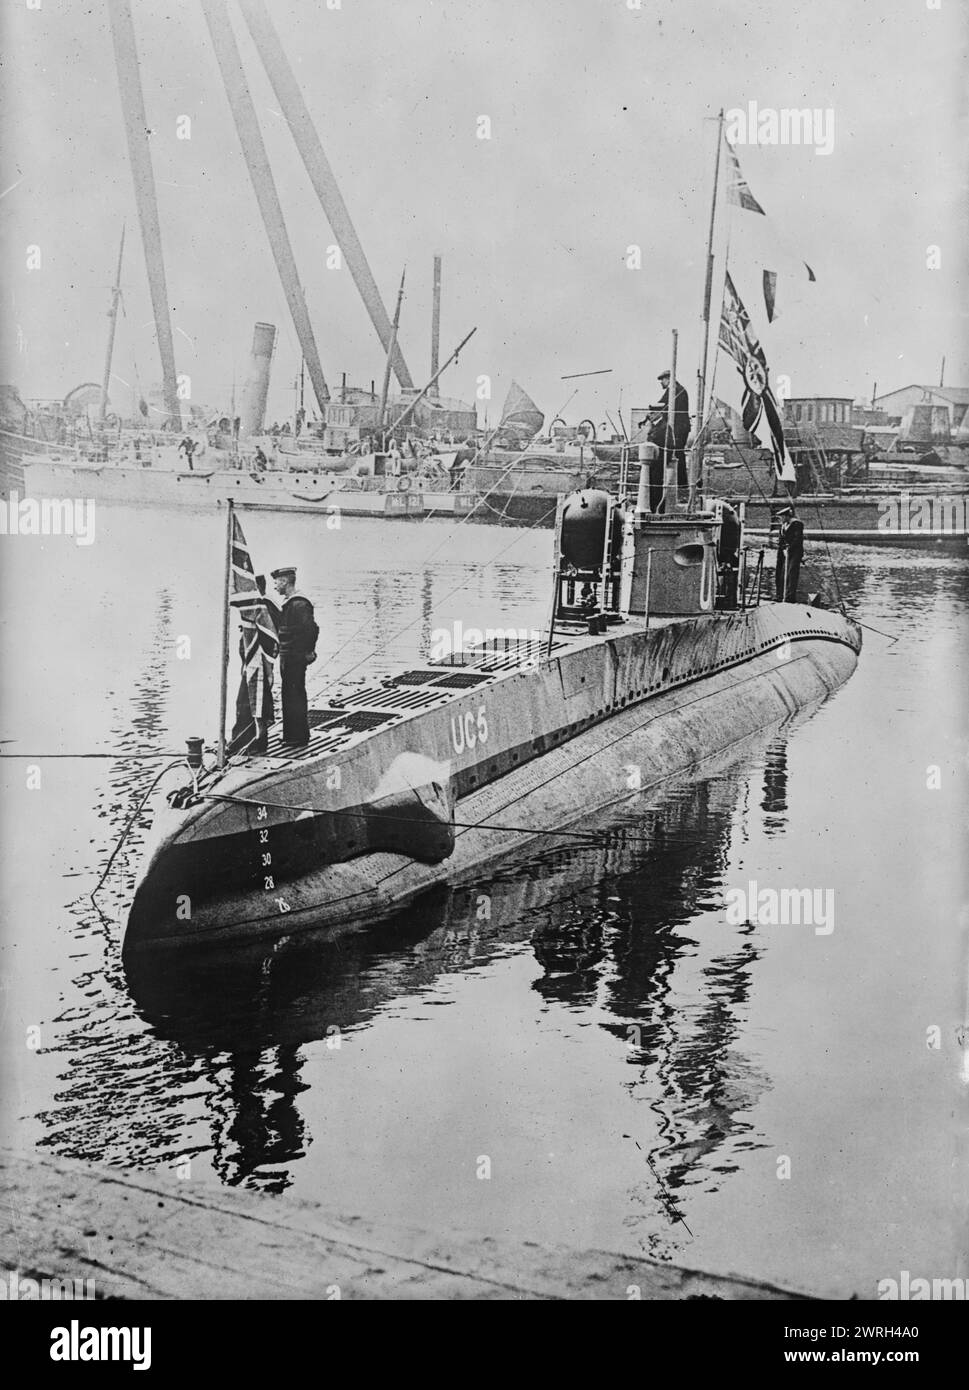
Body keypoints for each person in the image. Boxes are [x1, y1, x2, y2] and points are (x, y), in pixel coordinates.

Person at [230, 576, 280, 754]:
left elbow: (271, 639)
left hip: (259, 665)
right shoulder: (254, 607)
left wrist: (268, 668)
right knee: (245, 703)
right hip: (250, 665)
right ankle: (244, 739)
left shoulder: (265, 607)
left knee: (254, 704)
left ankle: (256, 741)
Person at [272, 566, 318, 746]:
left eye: (276, 583)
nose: (275, 587)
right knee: (289, 695)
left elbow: (311, 629)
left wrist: (308, 652)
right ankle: (290, 734)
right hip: (289, 656)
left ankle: (298, 737)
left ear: (284, 581)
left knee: (294, 695)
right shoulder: (290, 602)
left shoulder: (299, 604)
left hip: (295, 657)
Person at [645, 370, 691, 509]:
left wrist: (650, 415)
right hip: (678, 427)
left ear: (669, 379)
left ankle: (680, 484)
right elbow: (662, 405)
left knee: (677, 454)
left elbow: (662, 405)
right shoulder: (676, 390)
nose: (661, 383)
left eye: (662, 380)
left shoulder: (676, 390)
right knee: (677, 454)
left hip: (679, 428)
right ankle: (679, 483)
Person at [775, 505, 804, 602]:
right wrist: (782, 549)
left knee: (792, 573)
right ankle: (780, 595)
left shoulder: (797, 524)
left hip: (795, 552)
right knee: (781, 573)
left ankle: (790, 597)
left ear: (787, 516)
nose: (781, 519)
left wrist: (789, 549)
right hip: (784, 552)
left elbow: (797, 539)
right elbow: (781, 539)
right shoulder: (783, 525)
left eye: (782, 517)